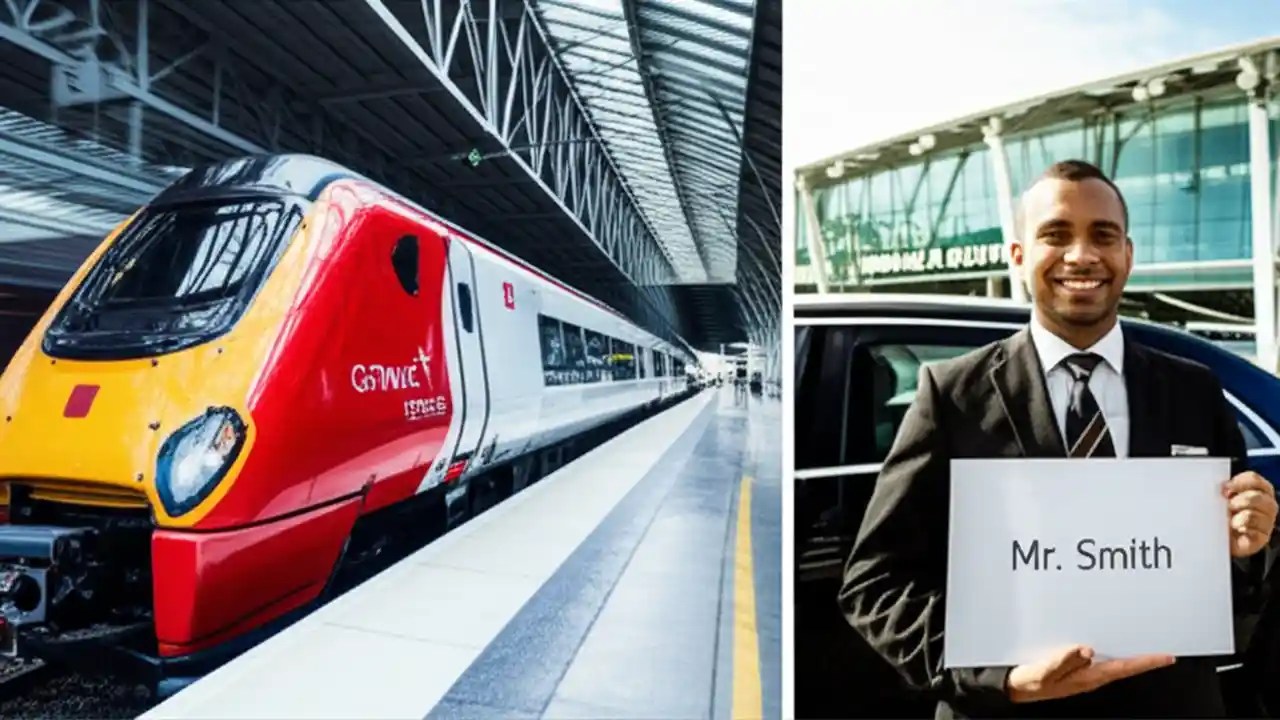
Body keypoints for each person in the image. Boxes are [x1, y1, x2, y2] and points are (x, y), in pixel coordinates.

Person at [838, 159, 1279, 719]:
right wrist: (1001, 678)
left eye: (1103, 235)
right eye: (1055, 235)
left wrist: (1251, 547)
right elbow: (874, 583)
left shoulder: (1192, 391)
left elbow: (1237, 588)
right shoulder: (952, 396)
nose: (1081, 255)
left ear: (1128, 255)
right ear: (1019, 255)